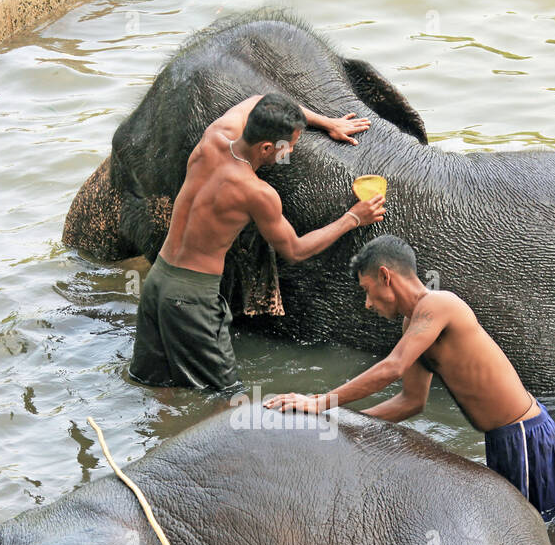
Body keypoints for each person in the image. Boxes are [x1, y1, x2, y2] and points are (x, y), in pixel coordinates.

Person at [265, 235, 555, 523]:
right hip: (501, 438)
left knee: (543, 533)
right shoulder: (414, 323)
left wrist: (321, 401)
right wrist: (345, 421)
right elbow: (410, 402)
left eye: (367, 290)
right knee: (523, 529)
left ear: (386, 276)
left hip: (523, 434)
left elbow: (392, 368)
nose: (368, 303)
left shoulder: (439, 304)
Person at [129, 92, 386, 391]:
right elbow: (296, 250)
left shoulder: (214, 136)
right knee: (224, 397)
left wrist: (325, 122)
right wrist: (353, 218)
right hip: (192, 299)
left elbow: (260, 99)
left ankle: (163, 435)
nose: (288, 154)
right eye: (287, 148)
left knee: (159, 386)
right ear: (266, 147)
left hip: (157, 282)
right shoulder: (256, 193)